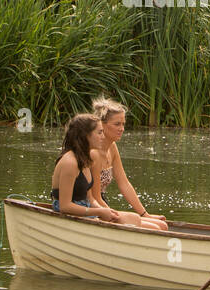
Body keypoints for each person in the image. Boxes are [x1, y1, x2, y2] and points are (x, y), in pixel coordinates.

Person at [91, 97, 167, 231]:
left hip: (104, 204)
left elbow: (124, 184)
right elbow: (95, 197)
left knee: (161, 225)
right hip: (95, 207)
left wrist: (145, 214)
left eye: (123, 124)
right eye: (117, 124)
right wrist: (114, 215)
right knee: (157, 229)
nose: (122, 129)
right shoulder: (94, 153)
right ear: (102, 124)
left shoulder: (112, 147)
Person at [50, 114, 120, 222]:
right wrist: (99, 212)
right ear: (86, 135)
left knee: (133, 219)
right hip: (70, 215)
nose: (103, 136)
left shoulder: (86, 160)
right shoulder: (70, 163)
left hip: (85, 211)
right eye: (99, 132)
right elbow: (65, 206)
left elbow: (90, 199)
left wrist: (105, 210)